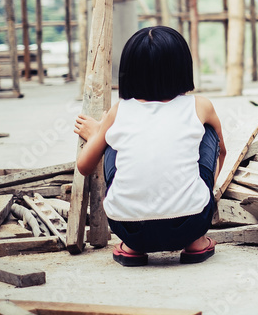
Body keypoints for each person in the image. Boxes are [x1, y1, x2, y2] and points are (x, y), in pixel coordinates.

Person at [74, 26, 226, 266]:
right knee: (208, 132)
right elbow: (221, 152)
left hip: (127, 227)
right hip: (192, 222)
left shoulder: (119, 112)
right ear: (183, 68)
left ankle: (133, 250)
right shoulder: (200, 106)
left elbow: (84, 166)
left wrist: (98, 133)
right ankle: (196, 242)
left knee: (112, 139)